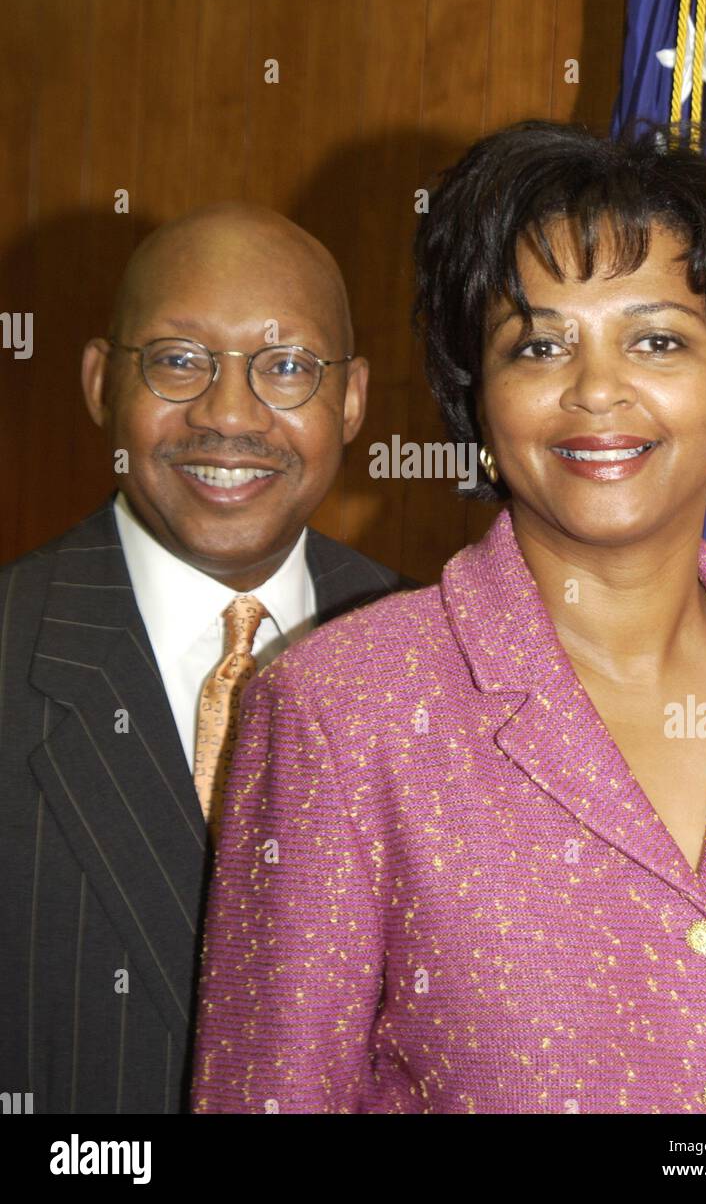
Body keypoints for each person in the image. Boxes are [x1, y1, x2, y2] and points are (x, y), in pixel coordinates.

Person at [191, 123, 706, 1116]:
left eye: (656, 338)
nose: (595, 390)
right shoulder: (342, 712)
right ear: (481, 399)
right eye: (539, 344)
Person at [0, 201, 416, 1114]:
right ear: (101, 382)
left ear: (350, 401)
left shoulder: (440, 662)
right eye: (180, 360)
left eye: (288, 368)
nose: (229, 413)